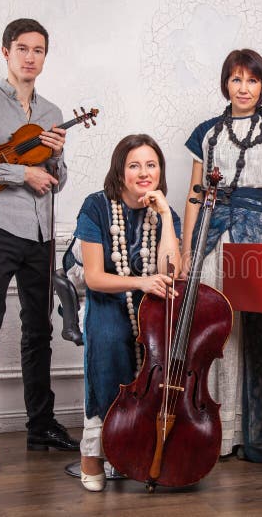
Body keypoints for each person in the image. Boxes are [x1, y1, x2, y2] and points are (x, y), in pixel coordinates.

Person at [0, 18, 79, 472]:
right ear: (5, 51)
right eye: (22, 48)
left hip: (40, 234)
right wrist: (20, 173)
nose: (30, 57)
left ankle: (40, 425)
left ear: (45, 56)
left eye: (39, 50)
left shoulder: (53, 111)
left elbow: (56, 182)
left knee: (38, 332)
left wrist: (56, 160)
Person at [182, 49, 262, 463]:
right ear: (225, 84)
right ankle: (212, 430)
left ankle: (250, 433)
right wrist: (185, 250)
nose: (244, 87)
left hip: (257, 233)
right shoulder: (207, 133)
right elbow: (195, 196)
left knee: (252, 329)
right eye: (236, 79)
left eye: (252, 80)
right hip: (212, 234)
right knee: (213, 327)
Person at [72, 134, 181, 492]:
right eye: (134, 165)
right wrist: (141, 282)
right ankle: (93, 455)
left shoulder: (166, 213)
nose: (144, 172)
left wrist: (165, 216)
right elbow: (94, 277)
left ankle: (140, 447)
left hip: (151, 306)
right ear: (120, 171)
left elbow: (172, 270)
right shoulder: (96, 207)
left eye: (152, 165)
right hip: (107, 299)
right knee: (108, 340)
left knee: (164, 353)